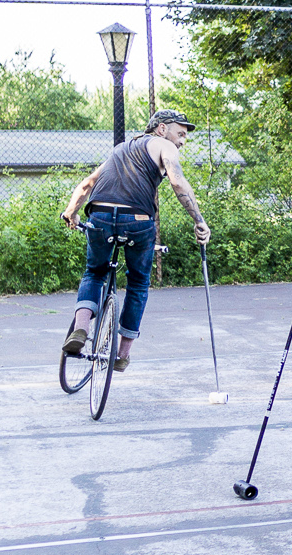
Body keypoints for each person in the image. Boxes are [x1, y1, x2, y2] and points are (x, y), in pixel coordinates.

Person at [58, 109, 211, 372]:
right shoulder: (165, 146)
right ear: (162, 129)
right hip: (138, 221)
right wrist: (199, 220)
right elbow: (178, 183)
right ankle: (122, 355)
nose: (183, 140)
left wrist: (70, 212)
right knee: (139, 282)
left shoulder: (120, 150)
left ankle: (80, 330)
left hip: (100, 216)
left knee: (94, 273)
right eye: (180, 133)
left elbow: (87, 185)